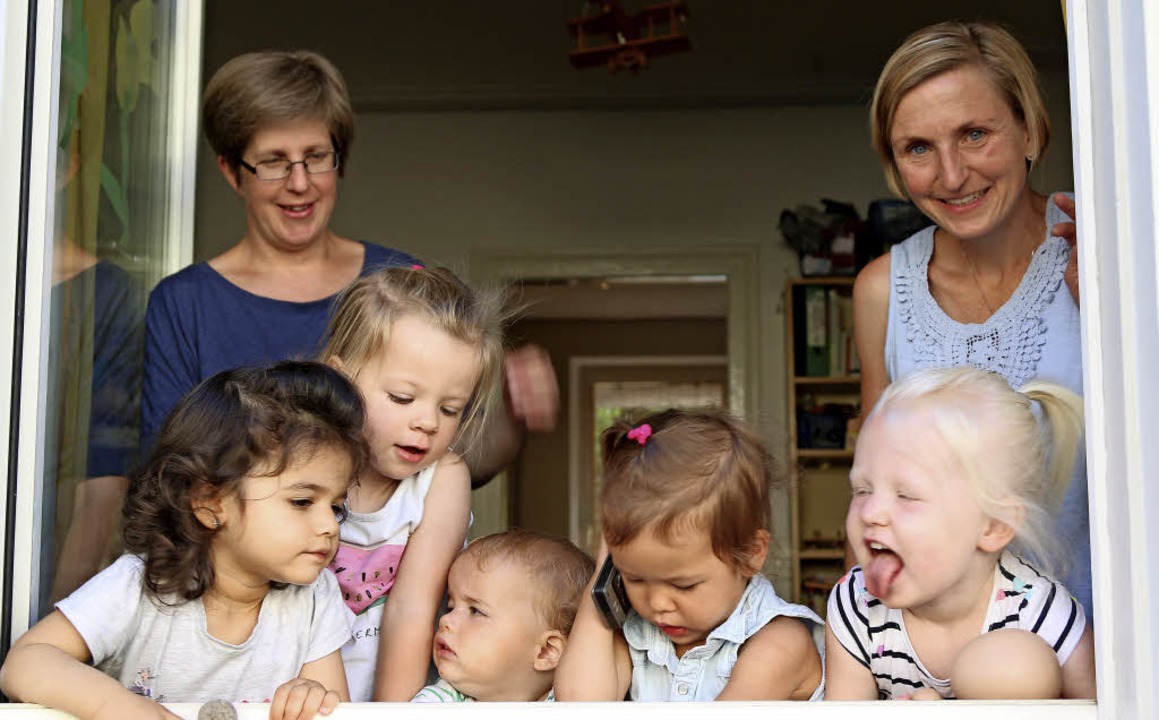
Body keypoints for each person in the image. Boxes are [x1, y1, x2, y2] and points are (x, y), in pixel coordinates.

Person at [142, 49, 557, 487]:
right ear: (231, 170)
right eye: (274, 162)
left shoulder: (401, 282)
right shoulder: (183, 303)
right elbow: (167, 474)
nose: (299, 183)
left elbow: (450, 462)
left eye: (317, 156)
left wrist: (511, 417)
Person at [852, 21, 1091, 619]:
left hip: (1112, 641)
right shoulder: (882, 290)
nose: (952, 176)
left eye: (976, 134)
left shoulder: (1104, 249)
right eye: (919, 149)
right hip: (937, 662)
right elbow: (872, 494)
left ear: (1031, 131)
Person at [0, 361, 368, 720]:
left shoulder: (315, 597)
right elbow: (26, 661)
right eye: (302, 501)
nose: (329, 526)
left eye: (335, 507)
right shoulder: (139, 584)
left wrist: (313, 698)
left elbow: (332, 709)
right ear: (209, 503)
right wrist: (111, 705)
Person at [825, 367, 1096, 700]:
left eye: (906, 495)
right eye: (862, 490)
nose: (870, 513)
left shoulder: (1041, 613)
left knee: (1018, 661)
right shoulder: (856, 605)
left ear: (995, 526)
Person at [319, 265, 506, 701]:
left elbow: (411, 608)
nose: (426, 423)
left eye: (450, 409)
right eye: (403, 398)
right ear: (340, 380)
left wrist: (386, 716)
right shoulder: (299, 461)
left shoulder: (443, 480)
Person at [556, 409, 824, 702]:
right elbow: (578, 705)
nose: (657, 603)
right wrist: (601, 582)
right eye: (634, 578)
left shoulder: (780, 644)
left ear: (749, 553)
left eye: (683, 585)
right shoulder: (636, 637)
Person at [411, 528, 595, 702]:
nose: (445, 620)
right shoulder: (437, 703)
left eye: (476, 611)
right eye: (450, 607)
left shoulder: (571, 702)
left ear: (546, 650)